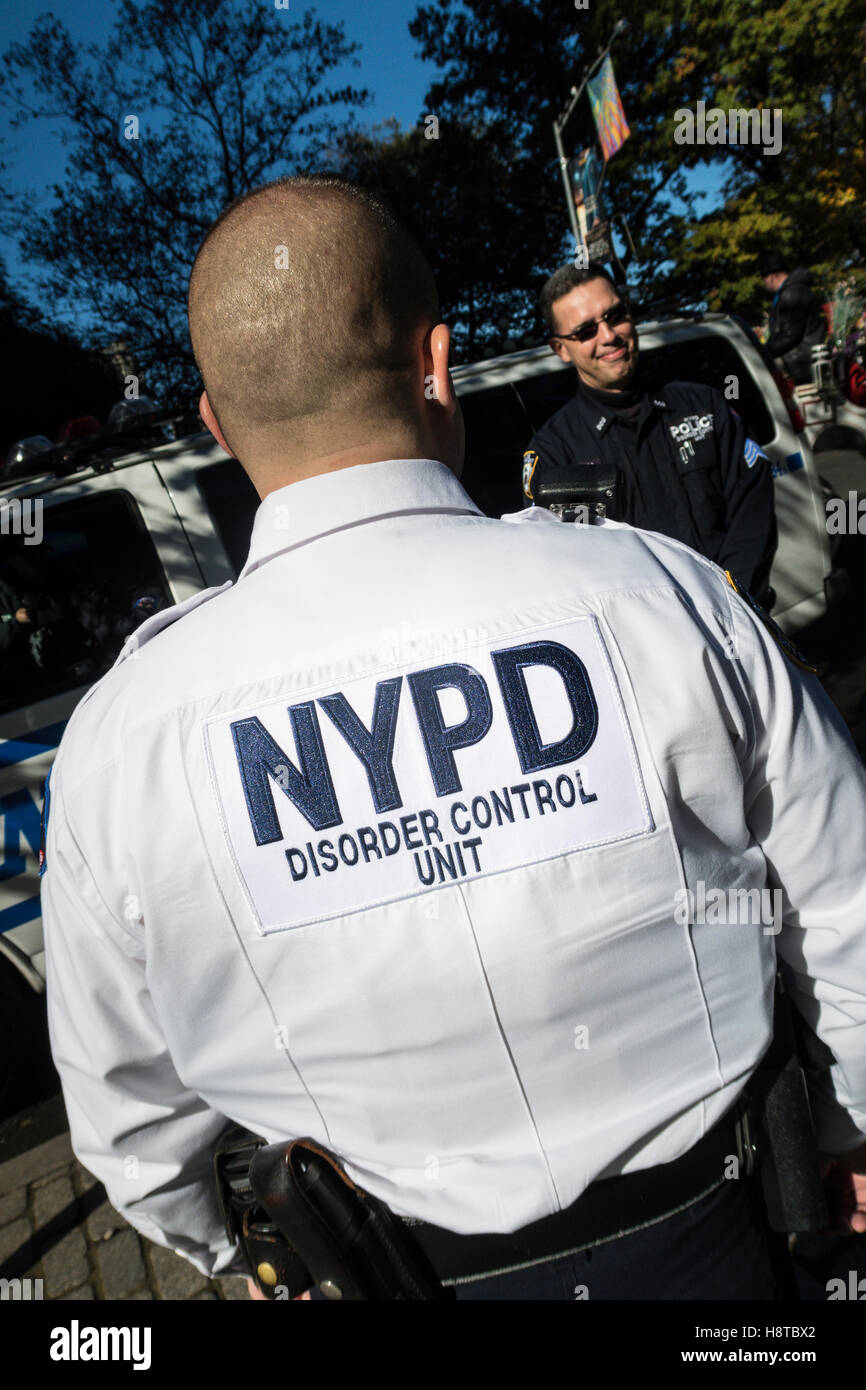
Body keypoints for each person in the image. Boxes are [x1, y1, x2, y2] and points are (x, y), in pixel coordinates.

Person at [41, 177, 866, 1302]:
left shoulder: (118, 744)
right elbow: (842, 902)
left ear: (216, 425)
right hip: (729, 1246)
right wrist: (840, 1128)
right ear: (435, 364)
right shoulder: (658, 594)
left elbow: (126, 1104)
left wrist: (231, 1256)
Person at [522, 263, 778, 606]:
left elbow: (752, 519)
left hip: (739, 621)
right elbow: (567, 574)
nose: (608, 335)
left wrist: (730, 609)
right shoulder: (554, 453)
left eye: (615, 315)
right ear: (561, 349)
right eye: (585, 331)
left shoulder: (703, 406)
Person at [759, 252, 828, 386]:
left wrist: (764, 353)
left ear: (772, 276)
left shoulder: (792, 293)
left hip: (802, 362)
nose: (764, 284)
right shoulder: (793, 291)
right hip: (802, 361)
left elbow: (790, 333)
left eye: (764, 278)